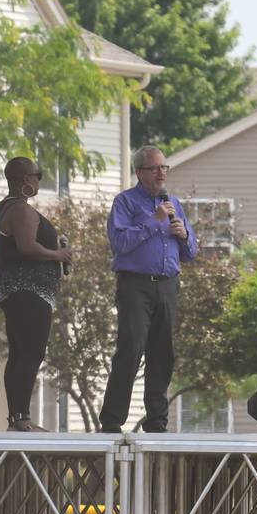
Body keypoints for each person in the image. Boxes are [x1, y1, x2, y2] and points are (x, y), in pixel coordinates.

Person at [98, 145, 197, 434]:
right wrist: (153, 221)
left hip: (167, 285)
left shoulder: (174, 204)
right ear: (140, 172)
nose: (161, 173)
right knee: (131, 348)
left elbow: (190, 253)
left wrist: (185, 235)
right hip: (135, 285)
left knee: (162, 353)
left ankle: (156, 421)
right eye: (155, 168)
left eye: (164, 167)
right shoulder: (126, 203)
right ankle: (112, 421)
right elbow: (120, 243)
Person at [0, 156, 72, 431]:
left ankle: (16, 419)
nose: (39, 179)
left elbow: (13, 248)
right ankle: (21, 419)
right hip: (28, 289)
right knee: (31, 352)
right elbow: (27, 247)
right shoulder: (21, 211)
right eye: (38, 175)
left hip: (16, 288)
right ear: (26, 180)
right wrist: (58, 254)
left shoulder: (7, 208)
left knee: (20, 352)